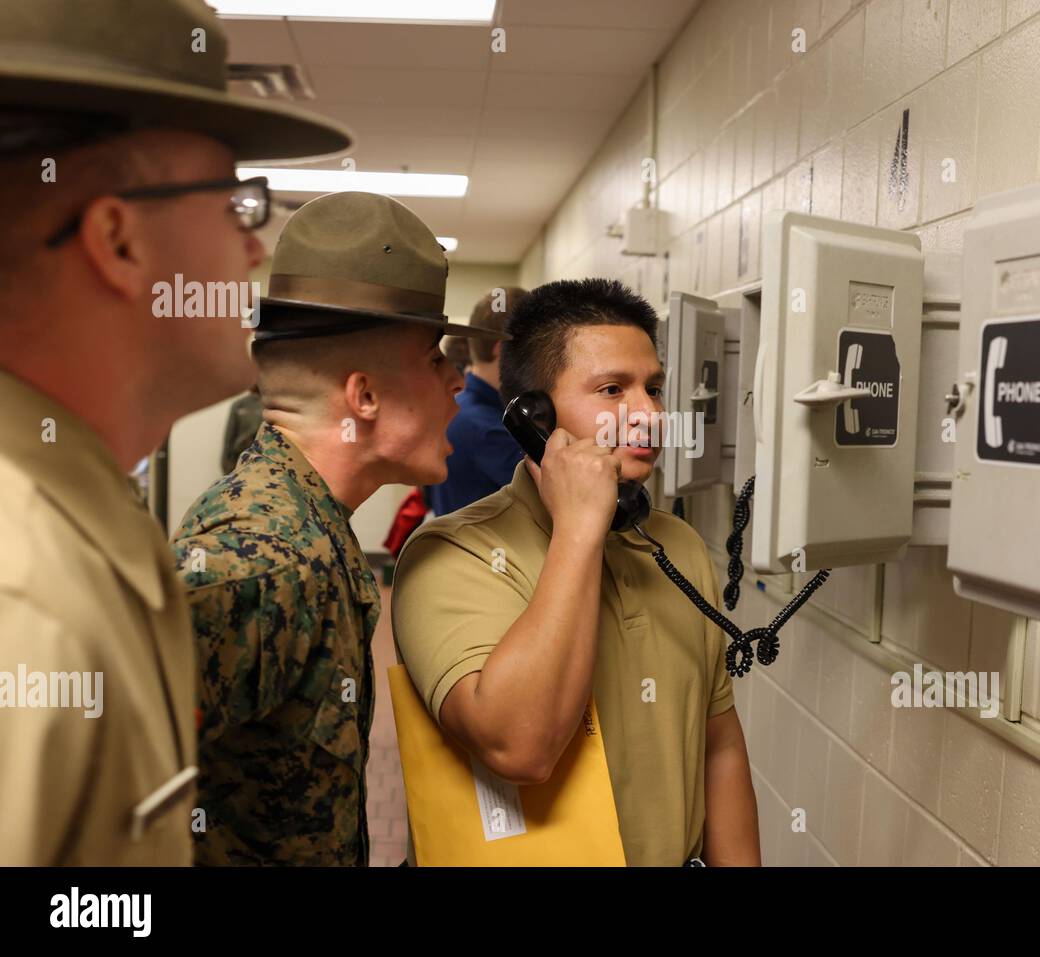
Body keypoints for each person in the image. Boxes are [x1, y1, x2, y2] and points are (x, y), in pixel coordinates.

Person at [0, 0, 349, 864]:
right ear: (118, 240)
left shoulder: (90, 527)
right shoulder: (26, 597)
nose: (257, 250)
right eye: (236, 204)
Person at [171, 190, 505, 865]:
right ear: (366, 396)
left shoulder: (315, 528)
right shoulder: (262, 562)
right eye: (436, 359)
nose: (457, 385)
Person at [393, 279, 761, 866]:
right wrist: (578, 532)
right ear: (533, 416)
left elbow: (718, 744)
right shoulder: (453, 553)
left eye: (655, 388)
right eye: (613, 389)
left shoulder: (680, 547)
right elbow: (519, 749)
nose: (647, 415)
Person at [425, 286, 527, 517]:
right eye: (534, 350)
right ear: (503, 350)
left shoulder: (462, 407)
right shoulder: (486, 426)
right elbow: (557, 497)